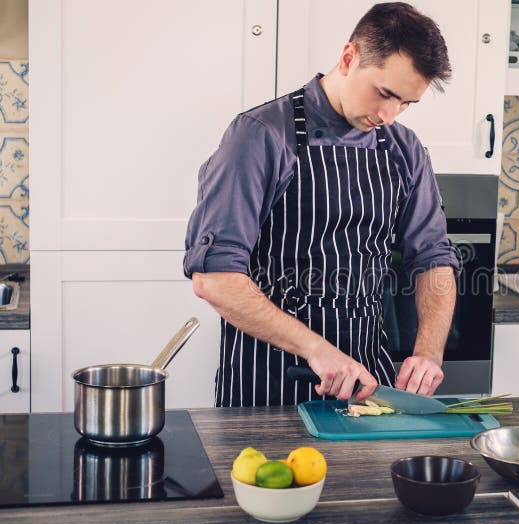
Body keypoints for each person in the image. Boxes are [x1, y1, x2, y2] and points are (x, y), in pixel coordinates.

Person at [184, 2, 458, 407]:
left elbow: (434, 259)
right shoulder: (260, 136)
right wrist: (318, 350)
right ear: (349, 58)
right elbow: (215, 279)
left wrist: (429, 352)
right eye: (384, 93)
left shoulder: (405, 150)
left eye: (406, 103)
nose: (389, 114)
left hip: (368, 388)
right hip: (268, 386)